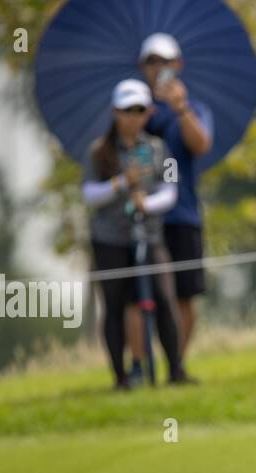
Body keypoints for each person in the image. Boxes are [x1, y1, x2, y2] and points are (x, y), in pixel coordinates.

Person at [81, 79, 192, 389]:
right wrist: (120, 184)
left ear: (148, 113)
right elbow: (89, 194)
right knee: (114, 306)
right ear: (116, 112)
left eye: (140, 110)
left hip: (149, 236)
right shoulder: (99, 152)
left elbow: (170, 192)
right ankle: (121, 377)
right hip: (110, 239)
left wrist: (147, 202)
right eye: (127, 110)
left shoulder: (158, 149)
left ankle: (176, 371)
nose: (133, 116)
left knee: (164, 298)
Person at [139, 33, 214, 360]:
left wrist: (180, 108)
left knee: (184, 295)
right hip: (142, 217)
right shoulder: (134, 108)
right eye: (152, 61)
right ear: (143, 67)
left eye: (165, 62)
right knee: (143, 296)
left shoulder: (193, 107)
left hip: (182, 215)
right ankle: (143, 364)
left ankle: (175, 366)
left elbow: (200, 145)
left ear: (178, 65)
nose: (159, 68)